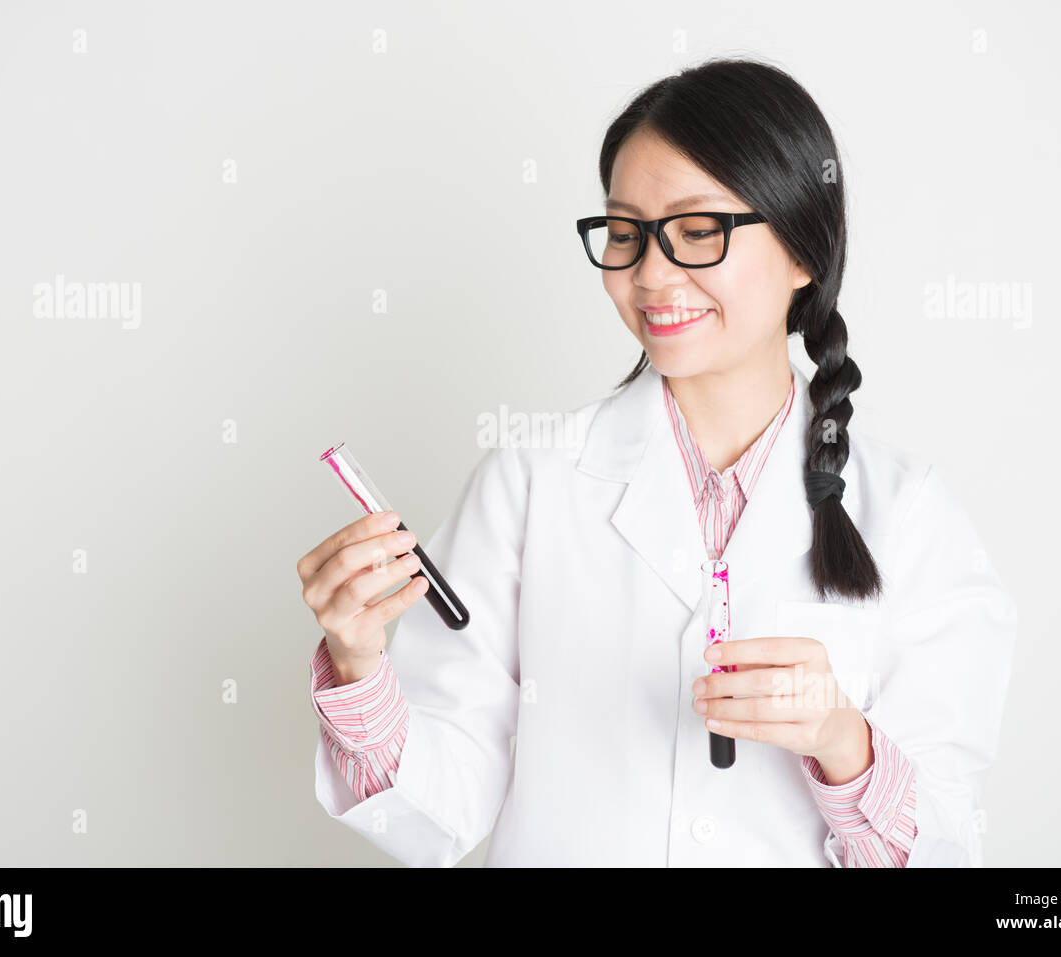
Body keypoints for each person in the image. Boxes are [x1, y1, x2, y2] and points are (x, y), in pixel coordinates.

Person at [296, 57, 1018, 867]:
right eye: (626, 232)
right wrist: (358, 663)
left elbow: (945, 849)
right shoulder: (532, 480)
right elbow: (436, 815)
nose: (650, 274)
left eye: (698, 231)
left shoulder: (910, 516)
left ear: (804, 250)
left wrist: (841, 740)